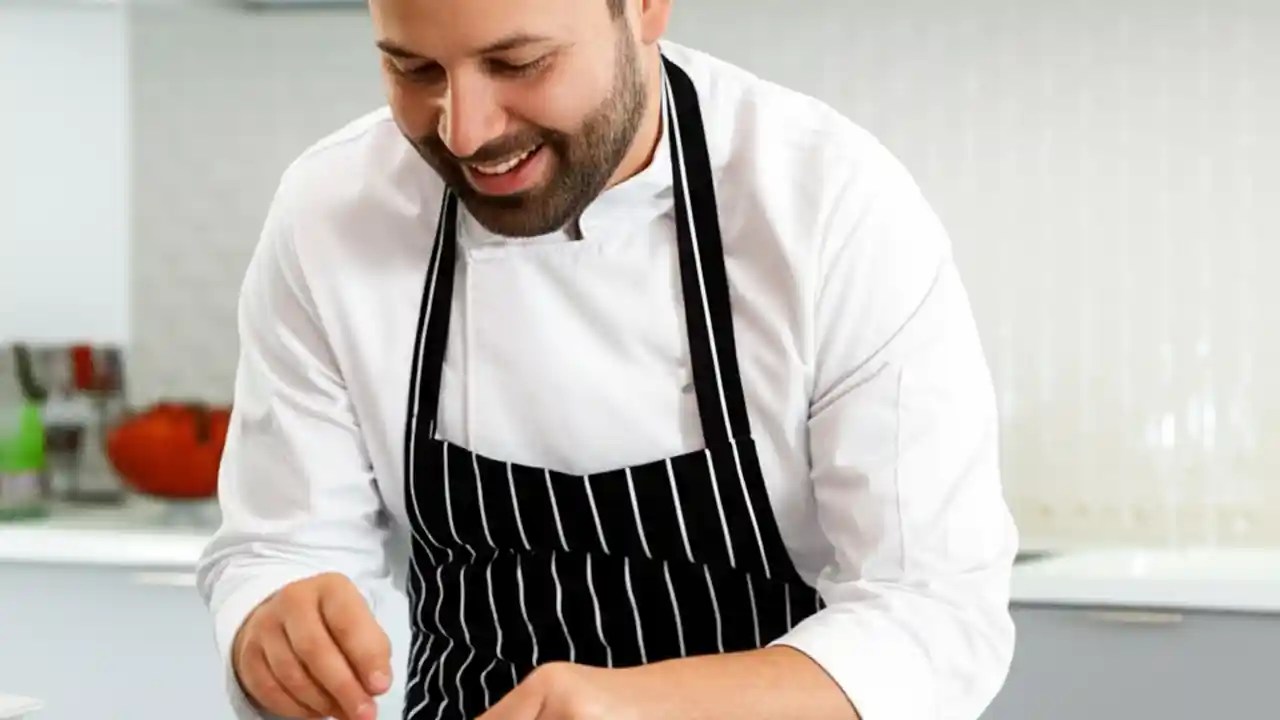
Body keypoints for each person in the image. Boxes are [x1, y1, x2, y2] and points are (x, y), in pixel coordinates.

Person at [195, 0, 1020, 718]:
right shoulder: (331, 209)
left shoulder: (827, 205)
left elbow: (933, 612)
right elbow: (280, 548)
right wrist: (275, 629)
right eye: (414, 69)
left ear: (647, 6)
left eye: (518, 62)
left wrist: (644, 708)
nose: (466, 130)